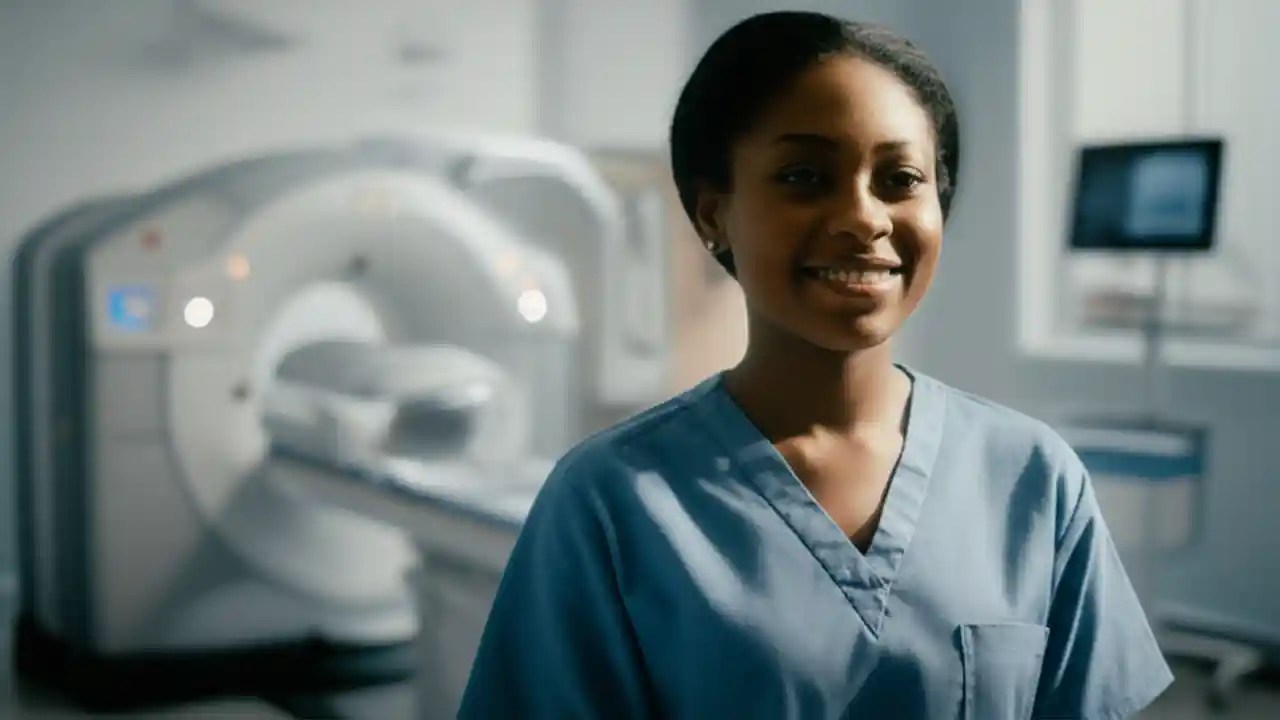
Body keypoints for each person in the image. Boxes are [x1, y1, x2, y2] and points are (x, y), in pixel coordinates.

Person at [459, 11, 1172, 719]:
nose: (864, 218)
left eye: (899, 178)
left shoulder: (1033, 480)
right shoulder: (612, 502)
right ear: (714, 214)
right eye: (804, 176)